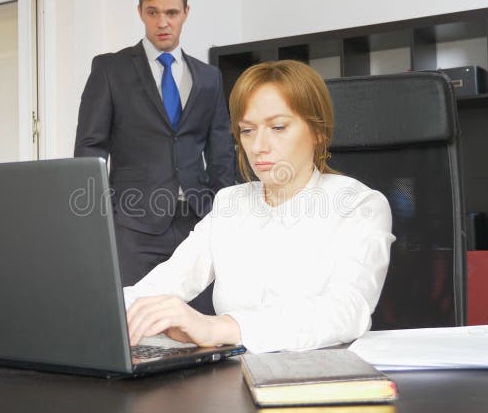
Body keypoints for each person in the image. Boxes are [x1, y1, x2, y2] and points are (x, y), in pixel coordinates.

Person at [124, 60, 396, 354]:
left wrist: (217, 328)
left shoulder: (360, 206)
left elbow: (345, 311)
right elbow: (162, 284)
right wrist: (103, 313)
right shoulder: (231, 203)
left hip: (316, 382)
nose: (257, 146)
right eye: (247, 130)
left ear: (318, 132)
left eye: (278, 127)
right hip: (232, 381)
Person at [73, 0, 235, 313]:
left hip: (196, 225)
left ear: (186, 13)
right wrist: (98, 219)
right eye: (152, 12)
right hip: (133, 226)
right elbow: (90, 149)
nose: (162, 22)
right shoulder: (110, 70)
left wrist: (221, 216)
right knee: (135, 323)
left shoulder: (209, 78)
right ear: (140, 11)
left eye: (172, 13)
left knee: (199, 323)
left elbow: (221, 155)